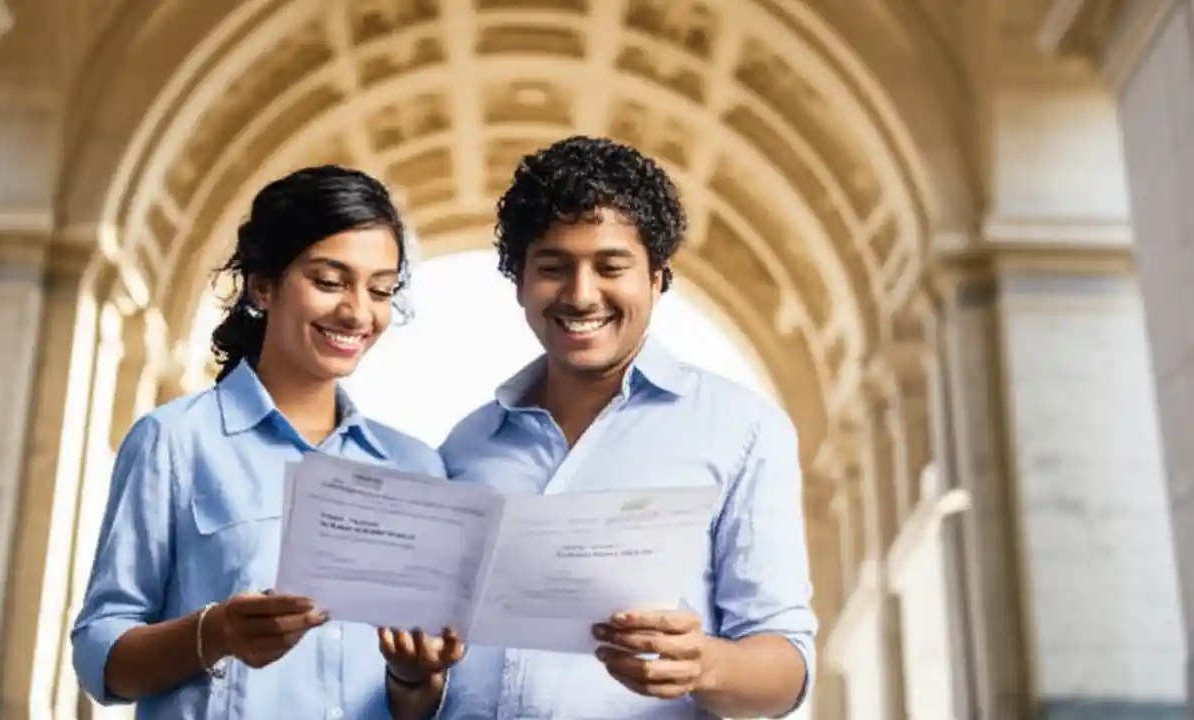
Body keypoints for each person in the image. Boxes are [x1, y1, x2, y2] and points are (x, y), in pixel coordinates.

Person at [436, 136, 818, 718]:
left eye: (611, 266)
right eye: (552, 268)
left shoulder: (744, 430)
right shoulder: (466, 447)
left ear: (658, 278)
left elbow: (787, 666)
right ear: (519, 282)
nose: (581, 294)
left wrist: (706, 664)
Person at [70, 165, 461, 720]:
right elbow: (98, 660)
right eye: (329, 281)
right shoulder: (174, 441)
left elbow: (420, 700)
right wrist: (215, 632)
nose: (357, 312)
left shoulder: (416, 468)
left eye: (380, 289)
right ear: (263, 284)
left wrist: (414, 676)